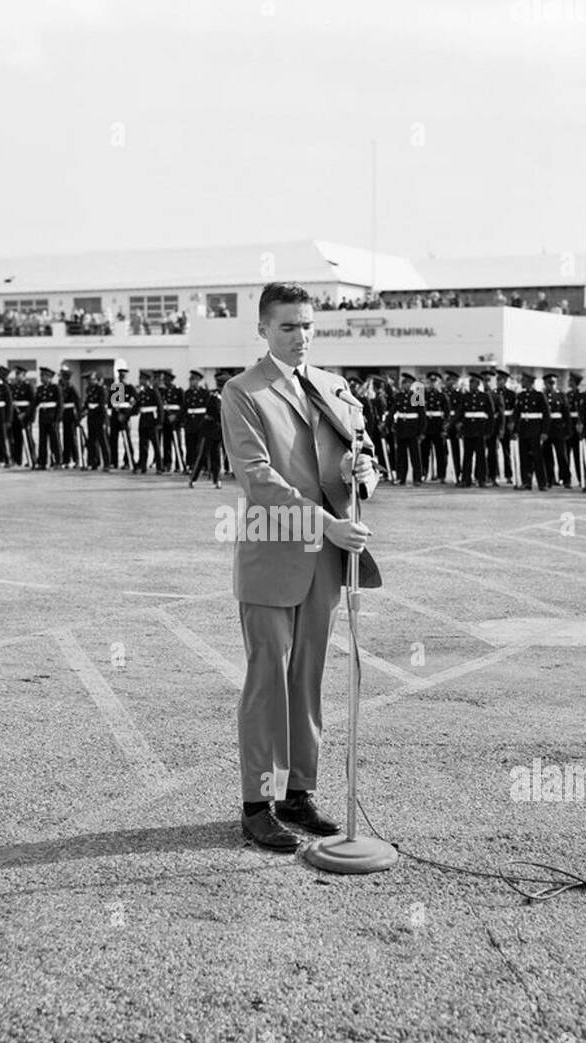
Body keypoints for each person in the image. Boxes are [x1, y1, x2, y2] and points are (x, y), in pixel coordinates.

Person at [220, 282, 380, 851]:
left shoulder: (334, 386)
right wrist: (326, 523)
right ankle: (258, 803)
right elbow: (258, 478)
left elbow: (357, 456)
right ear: (263, 330)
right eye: (288, 326)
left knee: (307, 677)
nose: (301, 336)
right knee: (268, 680)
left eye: (308, 325)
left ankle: (297, 793)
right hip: (274, 552)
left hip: (327, 563)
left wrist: (365, 472)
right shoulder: (243, 392)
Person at [187, 372, 225, 489]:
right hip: (208, 429)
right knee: (202, 455)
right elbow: (218, 413)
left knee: (216, 456)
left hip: (217, 430)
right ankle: (193, 479)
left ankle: (216, 479)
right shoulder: (215, 396)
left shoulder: (223, 396)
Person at [513, 372, 550, 490]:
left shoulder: (539, 396)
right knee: (524, 457)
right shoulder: (521, 396)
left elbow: (546, 414)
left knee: (538, 458)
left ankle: (542, 483)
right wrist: (514, 430)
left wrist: (544, 431)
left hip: (536, 430)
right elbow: (516, 413)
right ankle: (526, 482)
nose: (521, 382)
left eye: (523, 380)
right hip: (523, 429)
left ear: (529, 382)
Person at [388, 373, 425, 486]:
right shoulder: (398, 396)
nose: (406, 385)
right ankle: (401, 478)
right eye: (404, 383)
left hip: (413, 430)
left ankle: (417, 479)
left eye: (408, 383)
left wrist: (422, 431)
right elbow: (392, 411)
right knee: (401, 456)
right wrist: (387, 424)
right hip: (401, 429)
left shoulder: (416, 396)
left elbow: (422, 415)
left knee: (415, 456)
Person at [540, 373, 573, 488]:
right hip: (546, 429)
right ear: (545, 383)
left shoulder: (561, 395)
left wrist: (568, 430)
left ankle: (566, 479)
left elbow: (566, 414)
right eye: (549, 383)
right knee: (547, 456)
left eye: (553, 383)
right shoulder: (541, 395)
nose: (552, 385)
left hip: (559, 428)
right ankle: (550, 479)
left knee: (562, 455)